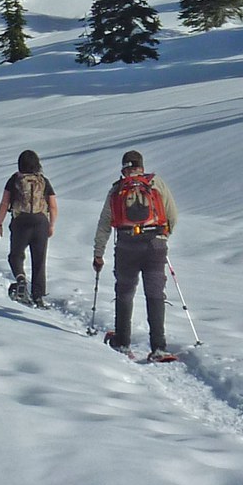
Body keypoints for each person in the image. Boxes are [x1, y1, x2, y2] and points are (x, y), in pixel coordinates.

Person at [93, 148, 180, 360]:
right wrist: (163, 237)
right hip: (155, 245)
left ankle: (123, 342)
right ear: (142, 166)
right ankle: (158, 347)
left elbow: (105, 223)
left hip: (126, 245)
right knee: (155, 294)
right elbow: (172, 214)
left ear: (123, 168)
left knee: (125, 293)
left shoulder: (117, 189)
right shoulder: (155, 183)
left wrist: (98, 253)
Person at [0, 149, 58, 306]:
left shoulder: (14, 179)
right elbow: (53, 206)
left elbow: (4, 203)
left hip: (20, 222)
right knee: (39, 260)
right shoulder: (43, 181)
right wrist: (51, 225)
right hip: (41, 222)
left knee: (15, 256)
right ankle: (38, 297)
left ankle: (21, 279)